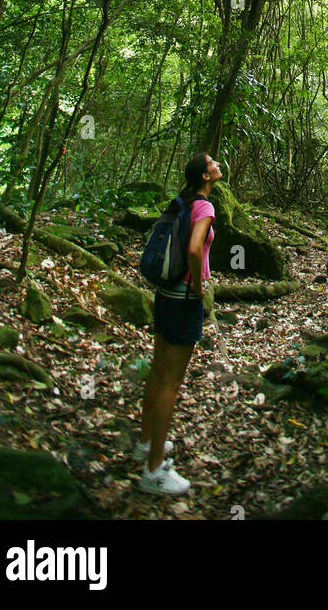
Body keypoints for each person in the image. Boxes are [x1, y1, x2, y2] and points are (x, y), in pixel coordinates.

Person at [137, 151, 221, 495]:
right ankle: (154, 471)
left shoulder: (183, 203)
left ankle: (145, 443)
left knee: (158, 373)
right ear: (204, 176)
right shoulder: (205, 207)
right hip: (184, 298)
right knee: (171, 383)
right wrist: (199, 289)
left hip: (164, 295)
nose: (218, 166)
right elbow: (193, 248)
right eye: (213, 163)